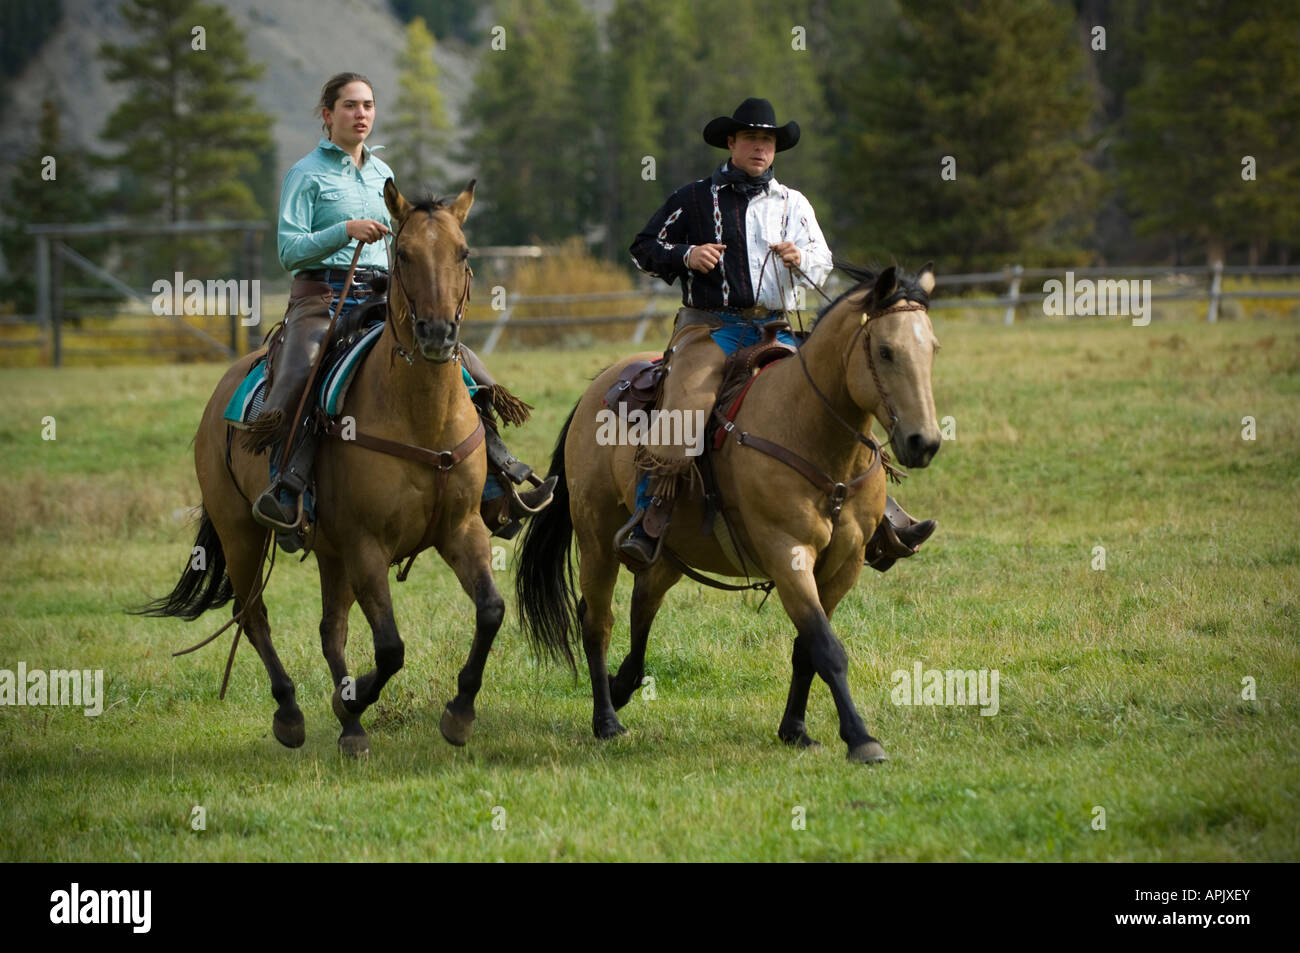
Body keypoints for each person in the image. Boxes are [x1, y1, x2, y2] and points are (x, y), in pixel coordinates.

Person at [618, 97, 935, 570]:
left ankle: (879, 515)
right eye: (750, 138)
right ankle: (650, 515)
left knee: (841, 398)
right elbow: (643, 249)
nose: (759, 147)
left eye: (766, 140)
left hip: (777, 329)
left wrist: (800, 259)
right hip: (711, 330)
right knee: (683, 415)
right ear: (731, 142)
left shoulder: (795, 203)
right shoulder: (693, 199)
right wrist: (687, 255)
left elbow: (823, 263)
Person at [247, 72, 554, 550]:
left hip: (383, 297)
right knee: (299, 374)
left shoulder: (380, 175)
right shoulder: (306, 174)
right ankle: (286, 492)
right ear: (327, 116)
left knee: (464, 366)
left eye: (368, 105)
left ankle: (500, 483)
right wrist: (344, 230)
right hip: (322, 298)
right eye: (349, 106)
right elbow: (288, 251)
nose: (361, 114)